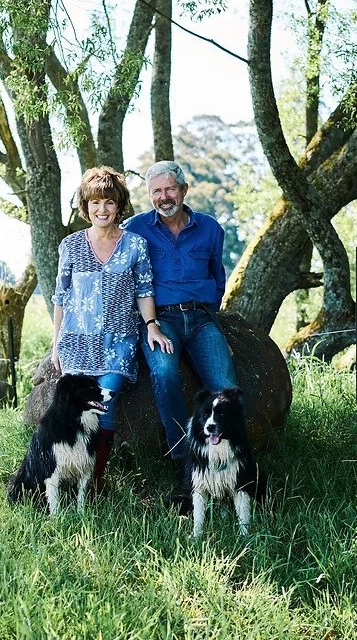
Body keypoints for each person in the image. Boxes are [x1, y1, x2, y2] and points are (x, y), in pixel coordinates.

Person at [51, 167, 173, 496]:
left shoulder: (135, 245)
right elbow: (61, 296)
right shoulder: (71, 246)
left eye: (108, 202)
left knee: (104, 409)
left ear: (119, 206)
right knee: (77, 416)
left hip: (118, 344)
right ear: (85, 206)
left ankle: (94, 484)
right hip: (77, 344)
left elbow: (145, 291)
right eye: (95, 202)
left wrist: (151, 327)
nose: (102, 209)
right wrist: (56, 344)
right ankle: (67, 480)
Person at [124, 160, 238, 506]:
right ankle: (185, 464)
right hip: (160, 320)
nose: (163, 196)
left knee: (225, 385)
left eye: (170, 189)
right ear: (149, 196)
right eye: (156, 191)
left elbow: (217, 274)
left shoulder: (210, 228)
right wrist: (147, 321)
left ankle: (230, 465)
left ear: (184, 190)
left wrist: (209, 307)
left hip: (201, 318)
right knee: (165, 373)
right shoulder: (135, 228)